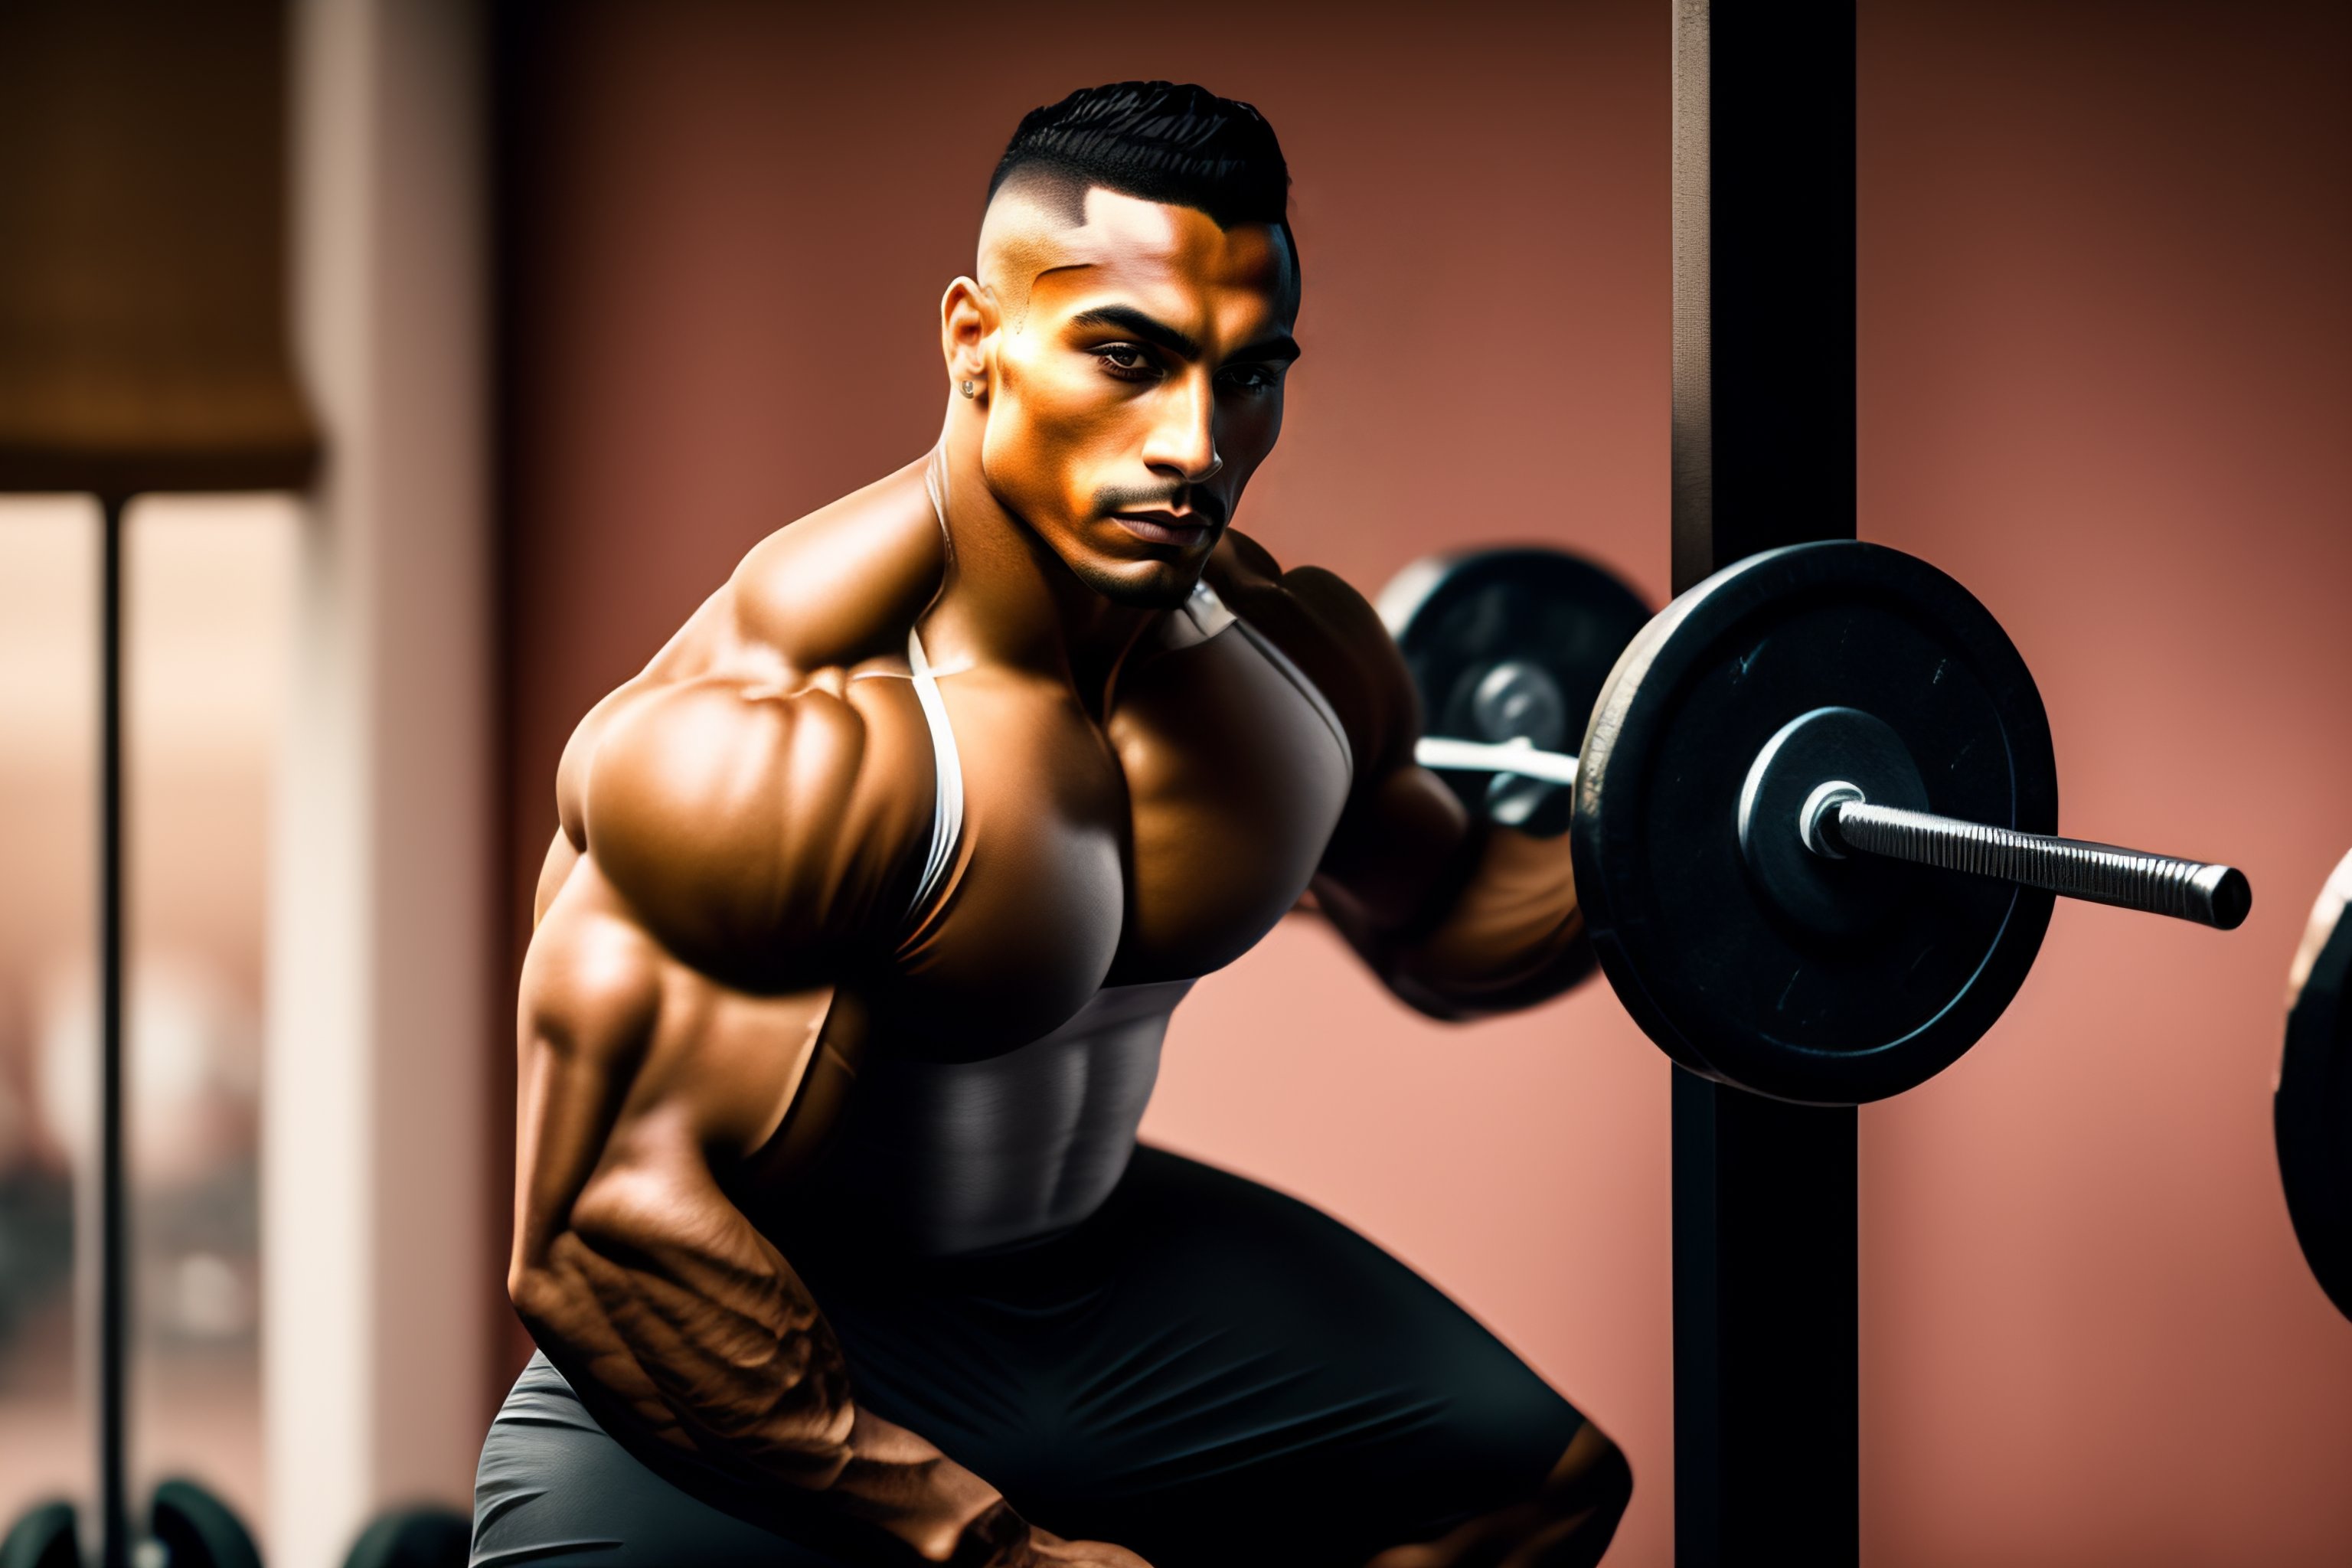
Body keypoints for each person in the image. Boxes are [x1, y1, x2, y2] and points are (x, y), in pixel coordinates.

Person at [472, 81, 1630, 1568]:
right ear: (976, 341)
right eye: (1129, 359)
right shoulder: (787, 735)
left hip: (1093, 1285)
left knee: (1529, 1489)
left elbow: (1453, 908)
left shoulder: (1286, 665)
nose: (1195, 444)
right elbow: (596, 1233)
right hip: (763, 1341)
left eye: (1248, 373)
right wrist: (990, 1547)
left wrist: (1678, 836)